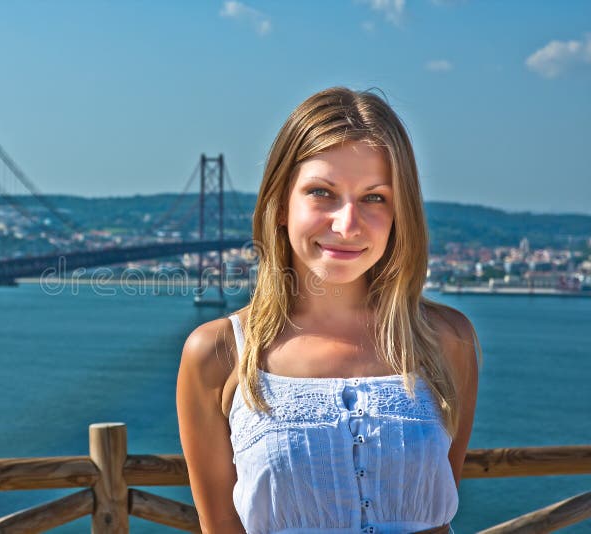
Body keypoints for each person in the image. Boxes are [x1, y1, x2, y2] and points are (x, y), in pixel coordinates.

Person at [176, 87, 481, 534]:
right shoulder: (216, 354)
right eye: (322, 192)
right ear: (280, 205)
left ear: (402, 212)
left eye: (375, 197)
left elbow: (435, 519)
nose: (347, 224)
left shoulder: (448, 340)